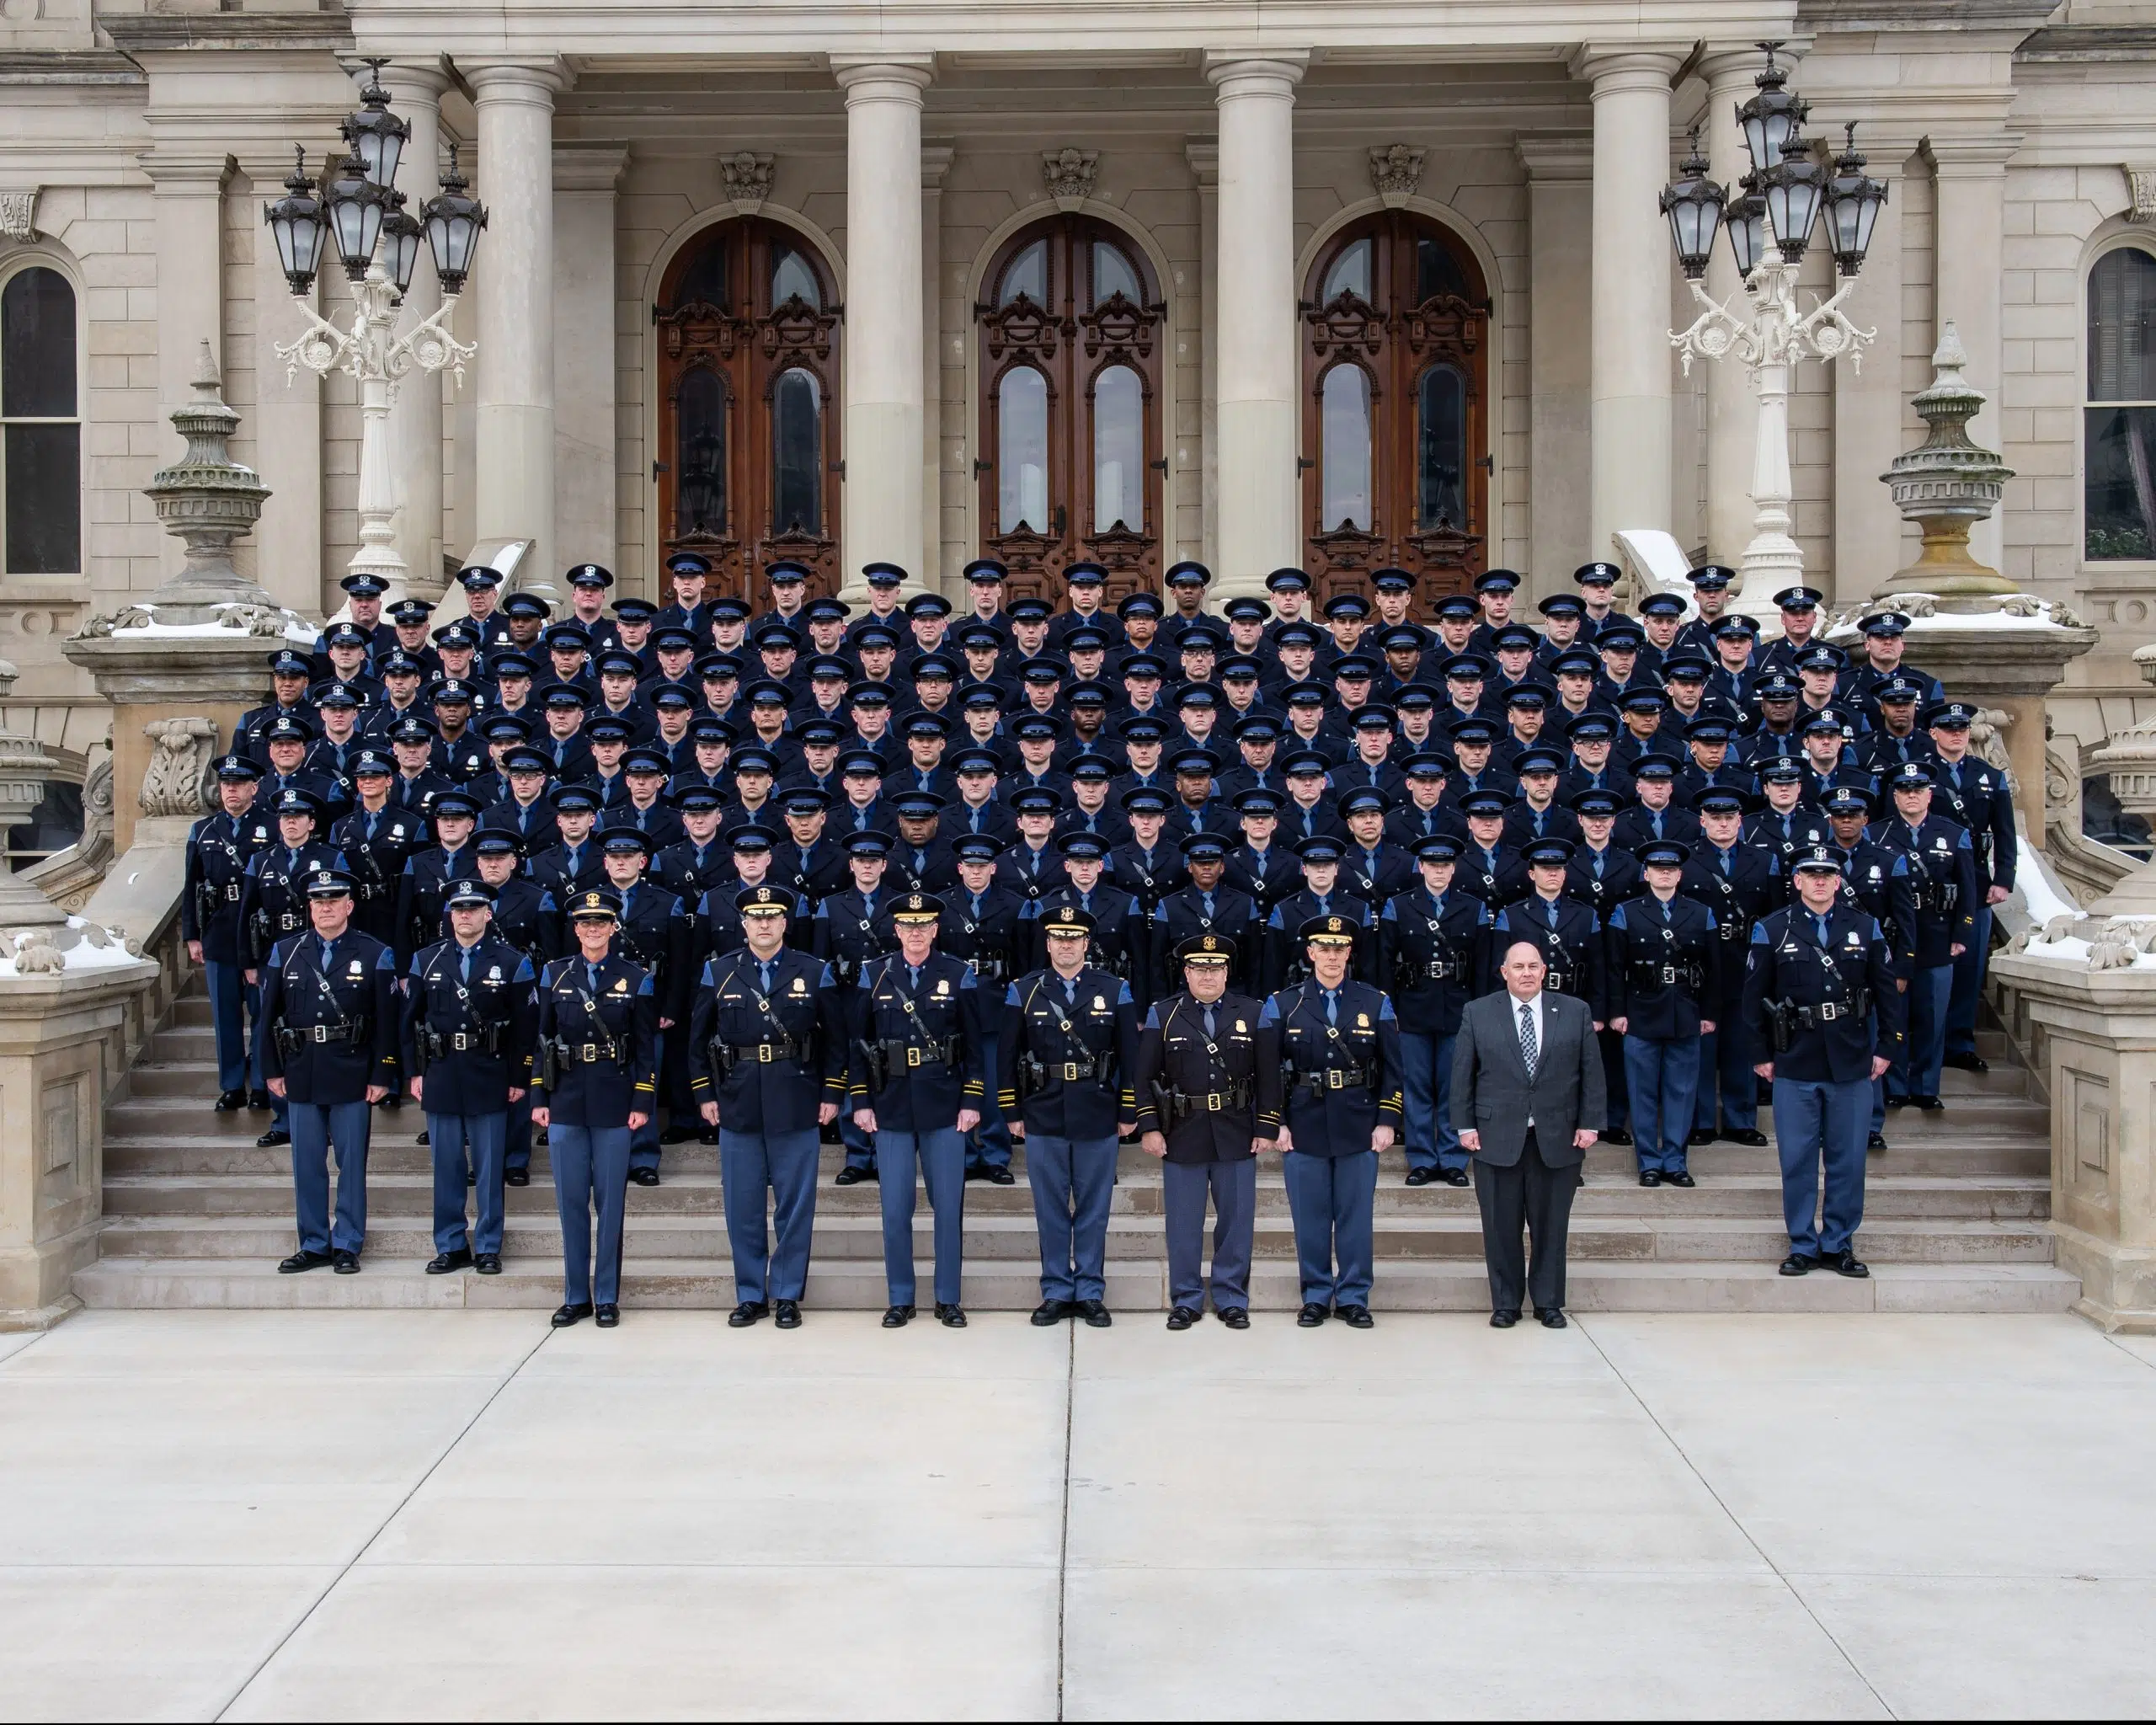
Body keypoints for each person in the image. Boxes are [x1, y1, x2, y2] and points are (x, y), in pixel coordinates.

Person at [1741, 846, 1903, 1279]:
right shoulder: (1772, 928)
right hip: (1795, 1058)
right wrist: (1760, 1054)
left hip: (1850, 1060)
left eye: (1826, 874)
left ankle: (1839, 1243)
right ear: (1796, 881)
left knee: (1848, 1159)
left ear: (1837, 880)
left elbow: (1887, 992)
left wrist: (1887, 1046)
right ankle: (1802, 1244)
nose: (1818, 881)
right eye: (1810, 874)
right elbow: (1752, 998)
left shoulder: (1864, 927)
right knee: (1796, 1159)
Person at [690, 886, 848, 1329]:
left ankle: (787, 1293)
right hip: (737, 1102)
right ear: (743, 924)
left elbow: (837, 1040)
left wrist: (832, 1094)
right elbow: (697, 1040)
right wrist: (704, 1094)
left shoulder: (815, 970)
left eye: (772, 917)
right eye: (755, 917)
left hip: (796, 1099)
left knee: (795, 1206)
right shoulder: (718, 971)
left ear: (784, 923)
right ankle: (750, 1293)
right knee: (742, 1205)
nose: (763, 924)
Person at [847, 893, 986, 1328]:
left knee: (948, 1206)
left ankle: (947, 1298)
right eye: (908, 927)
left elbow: (976, 1044)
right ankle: (900, 1297)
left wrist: (972, 1099)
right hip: (889, 1104)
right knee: (895, 1207)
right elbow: (857, 1042)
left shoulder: (958, 973)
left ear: (935, 930)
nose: (915, 934)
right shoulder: (874, 973)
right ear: (896, 930)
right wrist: (860, 1100)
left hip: (944, 1104)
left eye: (923, 926)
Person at [1451, 941, 1606, 1328]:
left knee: (1552, 1225)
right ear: (1504, 972)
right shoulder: (1478, 1011)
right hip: (1494, 1136)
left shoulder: (1574, 1011)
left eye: (1533, 966)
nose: (1526, 973)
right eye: (1517, 966)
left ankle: (1548, 1303)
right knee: (1501, 1226)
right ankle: (1505, 1303)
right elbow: (1462, 1073)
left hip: (1557, 1137)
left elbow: (1592, 1072)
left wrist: (1590, 1122)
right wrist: (1465, 1125)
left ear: (1544, 970)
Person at [1260, 915, 1404, 1329]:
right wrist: (1276, 1123)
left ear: (1349, 953)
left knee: (1356, 1218)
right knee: (1310, 1217)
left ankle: (1355, 1295)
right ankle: (1317, 1295)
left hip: (1359, 1123)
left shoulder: (1375, 1001)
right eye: (1324, 948)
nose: (1332, 956)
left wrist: (1388, 1119)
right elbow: (1268, 1071)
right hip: (1303, 1123)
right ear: (1310, 953)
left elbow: (1393, 1068)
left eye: (1339, 949)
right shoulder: (1284, 1003)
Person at [999, 906, 1139, 1327]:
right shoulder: (1023, 990)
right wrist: (1011, 1109)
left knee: (1095, 1207)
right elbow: (1006, 1055)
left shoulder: (1115, 989)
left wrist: (1129, 1107)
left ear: (1085, 944)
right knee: (1050, 1207)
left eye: (1073, 938)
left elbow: (1131, 1057)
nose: (1065, 944)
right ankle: (1057, 1289)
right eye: (1058, 938)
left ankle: (1091, 1289)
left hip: (1098, 1110)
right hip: (1043, 1111)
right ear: (1048, 943)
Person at [1132, 933, 1280, 1329]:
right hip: (1182, 1130)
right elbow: (1142, 1077)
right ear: (1186, 972)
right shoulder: (1164, 1014)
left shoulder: (1253, 1012)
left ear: (1227, 971)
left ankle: (1231, 1297)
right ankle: (1186, 1299)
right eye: (1199, 968)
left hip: (1236, 1129)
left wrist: (1267, 1126)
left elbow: (1269, 1075)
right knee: (1183, 1222)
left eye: (1215, 968)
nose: (1208, 976)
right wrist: (1149, 1127)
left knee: (1236, 1220)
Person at [259, 868, 400, 1274]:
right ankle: (314, 1242)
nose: (325, 908)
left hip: (353, 1071)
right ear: (310, 907)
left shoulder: (375, 953)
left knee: (351, 1164)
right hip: (301, 1069)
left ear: (349, 906)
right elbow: (268, 1016)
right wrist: (271, 1069)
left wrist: (381, 1075)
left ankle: (348, 1243)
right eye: (318, 902)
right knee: (307, 1166)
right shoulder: (285, 953)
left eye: (334, 901)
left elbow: (386, 1023)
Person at [531, 888, 659, 1328]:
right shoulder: (553, 974)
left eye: (600, 923)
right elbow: (542, 1039)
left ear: (612, 927)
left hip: (614, 1100)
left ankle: (606, 1296)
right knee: (570, 1203)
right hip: (565, 1099)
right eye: (585, 924)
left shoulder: (635, 977)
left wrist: (643, 1099)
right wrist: (538, 1097)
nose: (592, 930)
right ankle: (575, 1295)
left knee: (610, 1204)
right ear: (576, 929)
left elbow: (645, 1047)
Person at [403, 879, 540, 1276]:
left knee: (489, 1167)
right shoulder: (426, 959)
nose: (466, 914)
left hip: (489, 1071)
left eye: (474, 907)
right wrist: (413, 1071)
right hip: (442, 1071)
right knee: (446, 1166)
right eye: (459, 908)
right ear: (450, 913)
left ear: (488, 913)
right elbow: (408, 1020)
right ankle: (450, 1244)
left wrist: (518, 1077)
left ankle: (488, 1246)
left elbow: (524, 1029)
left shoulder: (513, 961)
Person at [1378, 834, 1492, 1188]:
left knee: (1455, 1086)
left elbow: (1484, 965)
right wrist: (1388, 1008)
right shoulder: (1399, 905)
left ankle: (1454, 1158)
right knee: (1416, 1087)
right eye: (1432, 865)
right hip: (1412, 1006)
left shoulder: (1474, 907)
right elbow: (1382, 961)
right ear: (1421, 867)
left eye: (1445, 865)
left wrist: (1482, 1010)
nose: (1438, 871)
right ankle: (1423, 1158)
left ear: (1454, 868)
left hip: (1460, 1008)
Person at [1605, 840, 1721, 1187]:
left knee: (1681, 1092)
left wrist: (1709, 1013)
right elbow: (1614, 967)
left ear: (1680, 874)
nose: (1665, 874)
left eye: (1671, 869)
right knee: (1642, 1093)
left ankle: (1676, 1160)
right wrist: (1616, 1012)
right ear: (1646, 873)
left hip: (1686, 1011)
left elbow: (1714, 968)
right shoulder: (1626, 912)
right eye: (1658, 869)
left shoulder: (1702, 913)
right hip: (1641, 1012)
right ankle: (1649, 1163)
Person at [184, 754, 275, 1113]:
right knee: (225, 1015)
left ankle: (262, 1084)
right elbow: (191, 884)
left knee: (262, 1011)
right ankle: (232, 1085)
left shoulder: (271, 825)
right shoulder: (204, 830)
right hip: (219, 929)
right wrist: (193, 935)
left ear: (254, 788)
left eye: (238, 785)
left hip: (258, 932)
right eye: (226, 785)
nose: (231, 791)